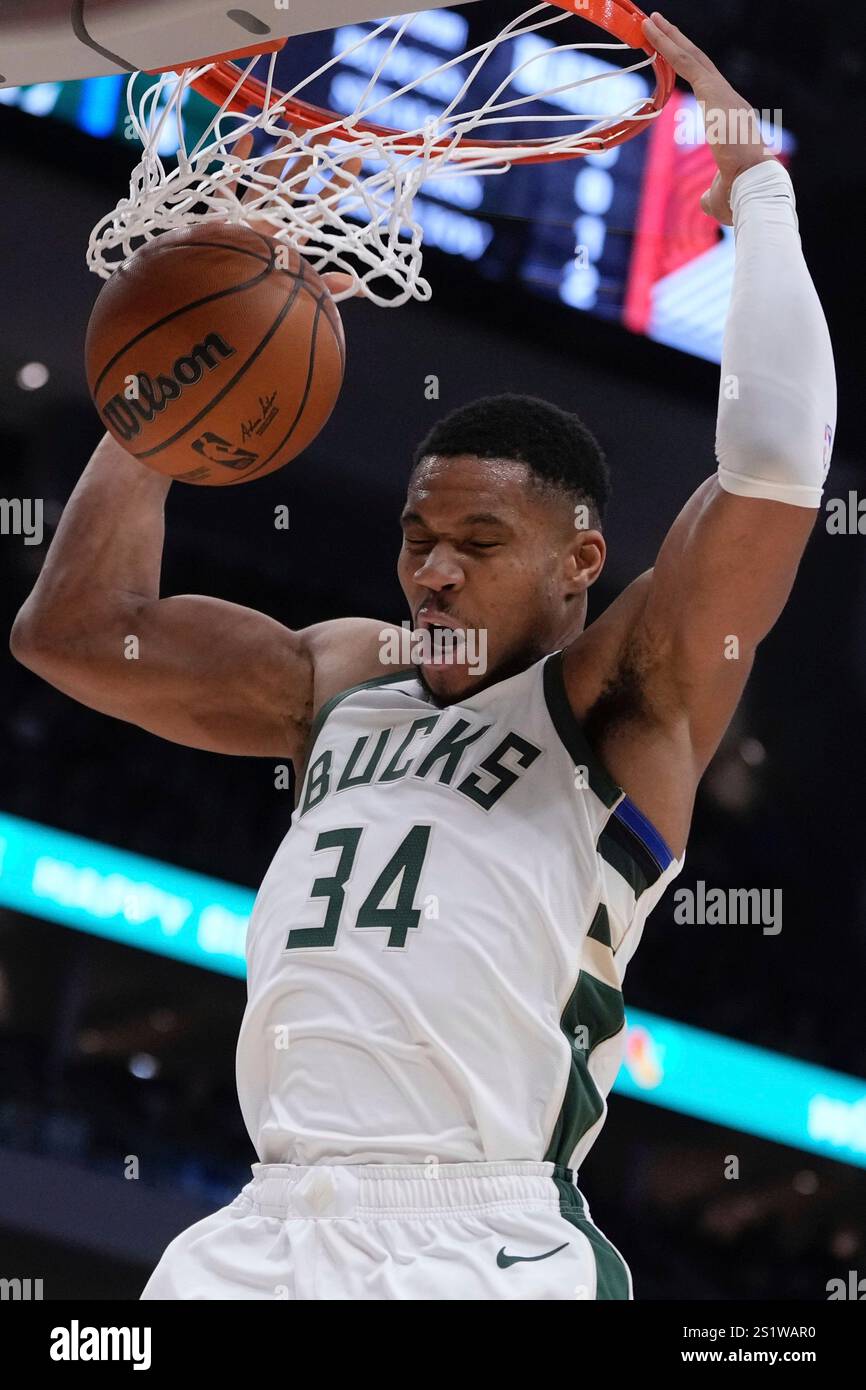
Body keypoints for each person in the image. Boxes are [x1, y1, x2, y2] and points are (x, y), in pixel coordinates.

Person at [11, 13, 835, 1299]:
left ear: (578, 560)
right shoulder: (338, 678)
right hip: (258, 1230)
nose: (432, 569)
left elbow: (775, 465)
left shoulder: (619, 701)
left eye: (479, 542)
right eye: (416, 538)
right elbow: (73, 631)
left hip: (481, 1239)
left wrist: (759, 200)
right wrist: (160, 404)